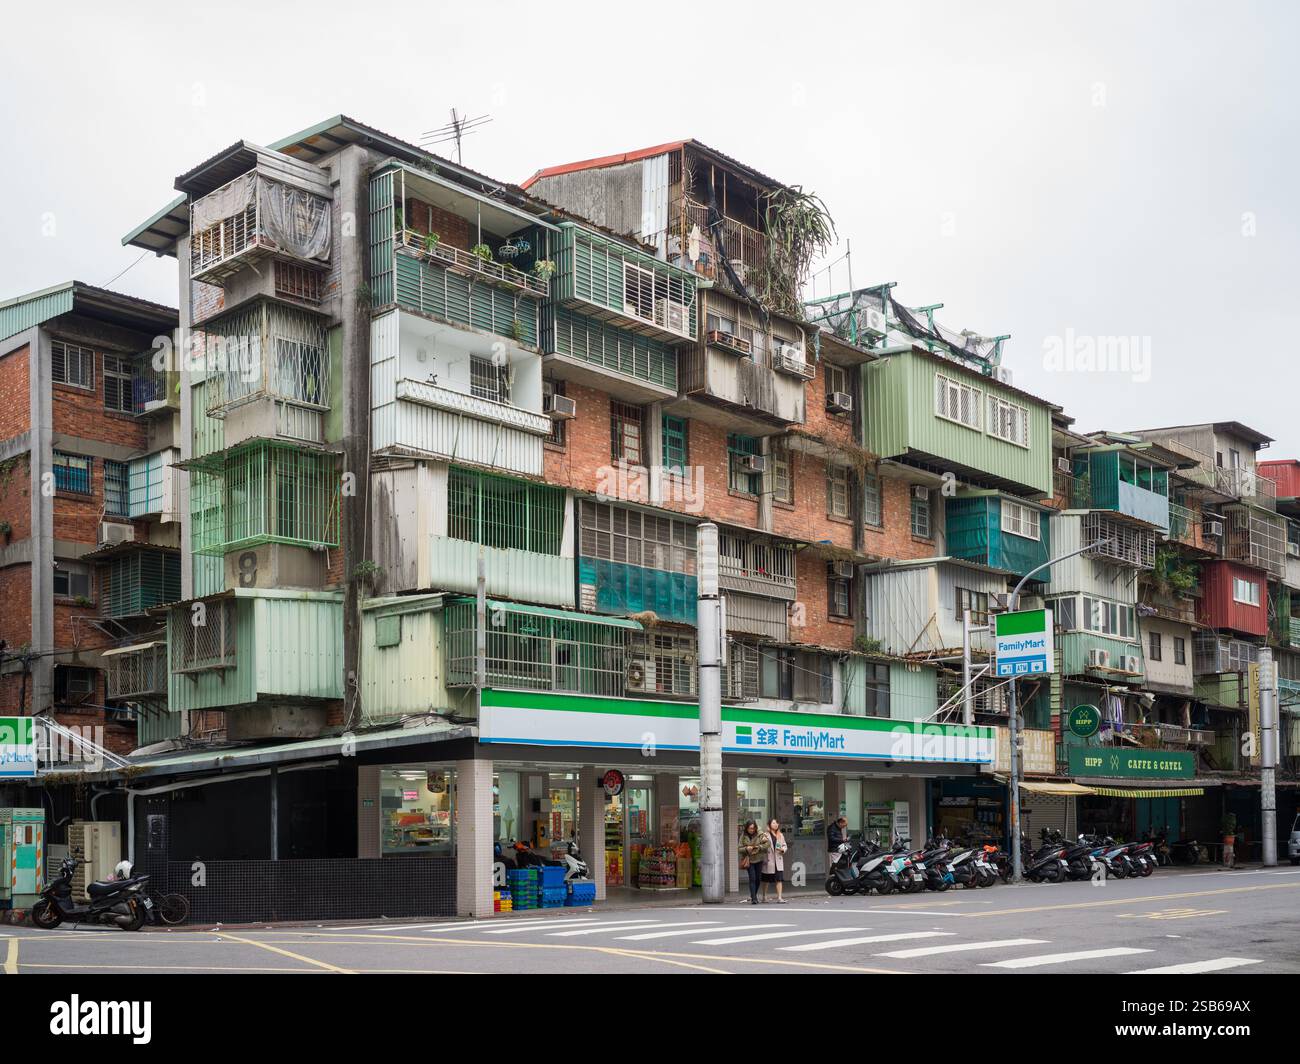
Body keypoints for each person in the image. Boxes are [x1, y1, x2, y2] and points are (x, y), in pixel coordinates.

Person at [738, 820, 768, 904]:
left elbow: (767, 845)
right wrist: (746, 849)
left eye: (753, 828)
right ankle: (754, 898)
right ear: (746, 828)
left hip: (759, 859)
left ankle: (753, 894)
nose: (752, 830)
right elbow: (739, 848)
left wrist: (759, 847)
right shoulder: (743, 836)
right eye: (750, 828)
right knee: (752, 878)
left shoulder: (760, 835)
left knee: (758, 879)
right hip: (749, 860)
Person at [760, 817, 789, 903]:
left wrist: (783, 849)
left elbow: (784, 845)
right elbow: (761, 845)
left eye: (777, 823)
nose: (776, 824)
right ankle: (764, 896)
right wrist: (763, 841)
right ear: (769, 825)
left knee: (779, 879)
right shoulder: (765, 835)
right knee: (766, 879)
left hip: (778, 860)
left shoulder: (780, 835)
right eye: (773, 823)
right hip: (769, 861)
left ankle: (779, 897)